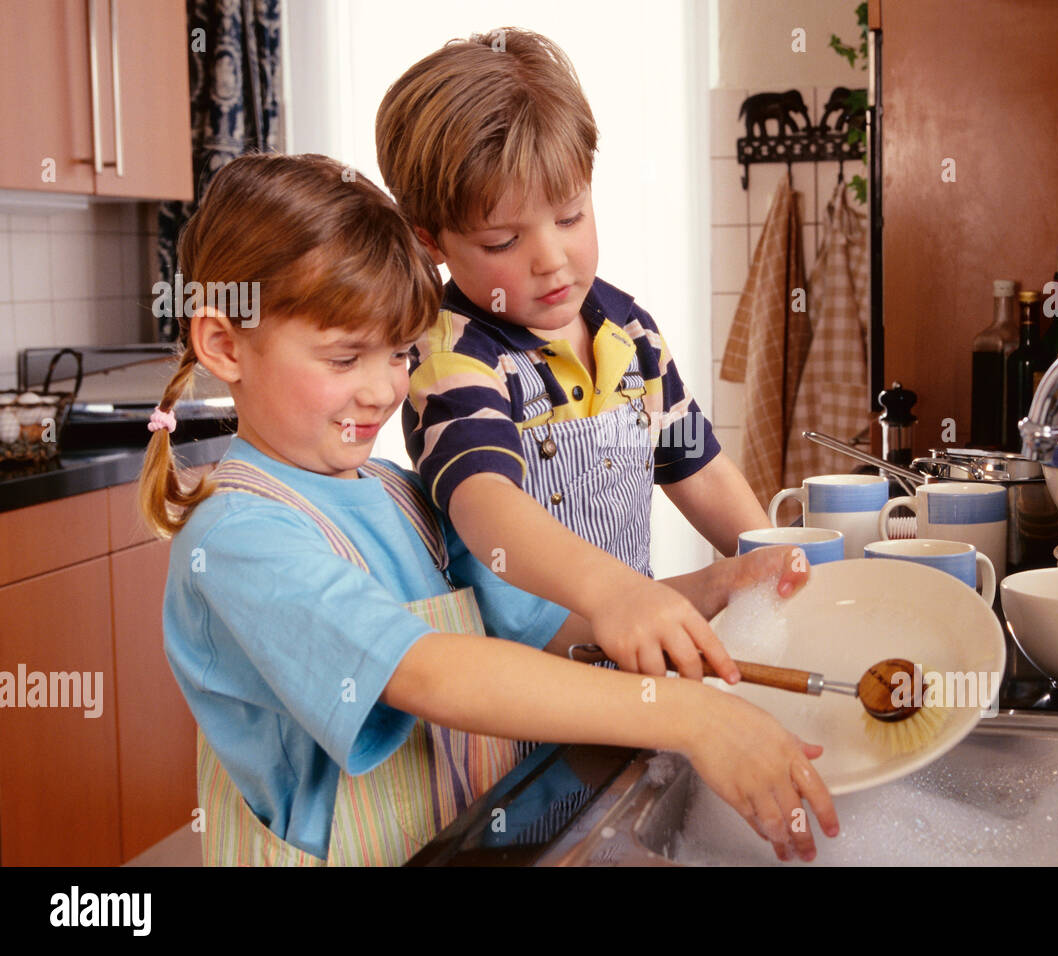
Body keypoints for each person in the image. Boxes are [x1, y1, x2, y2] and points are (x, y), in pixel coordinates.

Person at [141, 152, 837, 865]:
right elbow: (428, 673)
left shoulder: (397, 492)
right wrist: (691, 717)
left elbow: (555, 629)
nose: (383, 391)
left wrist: (711, 592)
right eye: (345, 358)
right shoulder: (238, 536)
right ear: (224, 344)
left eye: (399, 354)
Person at [375, 28, 777, 679]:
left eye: (570, 217)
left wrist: (773, 563)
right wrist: (614, 592)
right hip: (523, 692)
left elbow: (699, 469)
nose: (552, 260)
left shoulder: (627, 329)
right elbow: (486, 507)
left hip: (631, 658)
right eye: (504, 240)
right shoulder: (451, 356)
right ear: (432, 241)